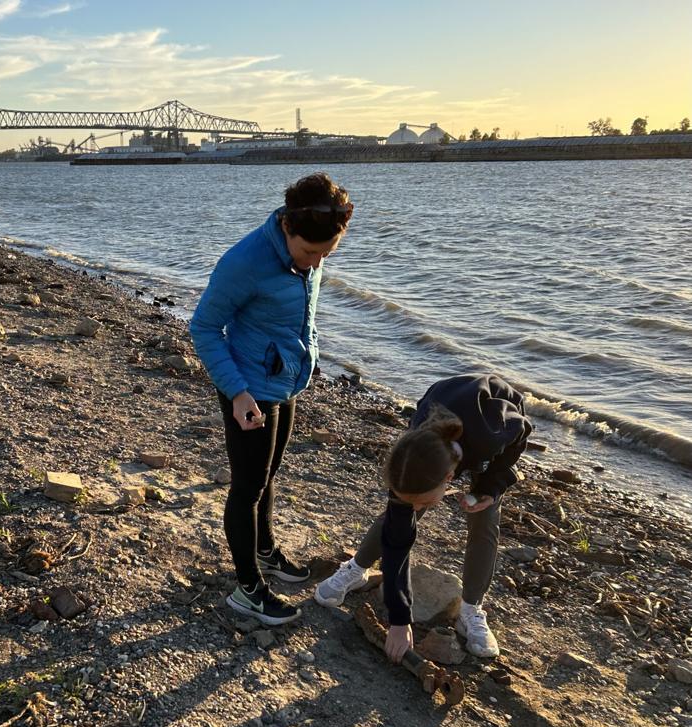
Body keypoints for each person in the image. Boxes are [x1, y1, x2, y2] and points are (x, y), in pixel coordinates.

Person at [190, 172, 354, 626]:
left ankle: (264, 550)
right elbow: (203, 327)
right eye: (307, 253)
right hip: (248, 388)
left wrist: (309, 354)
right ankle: (247, 590)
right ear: (286, 226)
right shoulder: (245, 262)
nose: (314, 263)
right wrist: (238, 393)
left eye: (325, 255)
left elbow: (299, 314)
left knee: (268, 475)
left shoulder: (312, 248)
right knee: (247, 488)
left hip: (284, 382)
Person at [314, 373, 531, 659]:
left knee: (485, 518)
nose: (418, 509)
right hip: (439, 406)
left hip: (496, 422)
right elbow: (397, 543)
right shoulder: (414, 449)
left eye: (425, 502)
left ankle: (471, 610)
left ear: (450, 479)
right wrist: (399, 618)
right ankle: (356, 569)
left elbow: (523, 431)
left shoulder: (490, 437)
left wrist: (494, 484)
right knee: (399, 514)